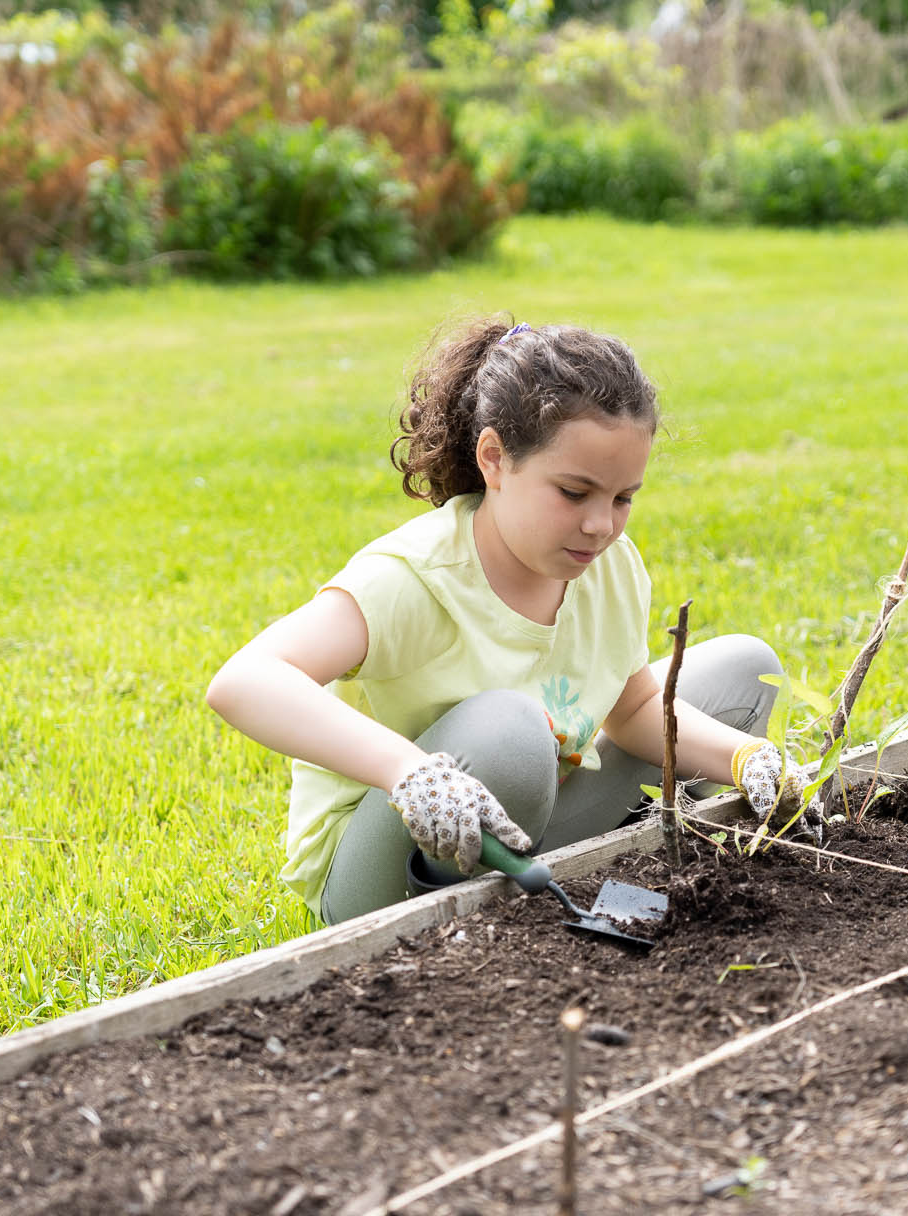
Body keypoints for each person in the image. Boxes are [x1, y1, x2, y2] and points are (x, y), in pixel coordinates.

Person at [206, 317, 810, 926]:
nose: (601, 524)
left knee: (745, 669)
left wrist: (745, 758)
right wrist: (408, 772)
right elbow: (244, 681)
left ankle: (614, 892)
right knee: (511, 731)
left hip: (529, 825)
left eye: (623, 497)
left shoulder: (609, 564)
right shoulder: (414, 577)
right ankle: (472, 926)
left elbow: (630, 713)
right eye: (575, 493)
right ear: (494, 459)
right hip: (384, 874)